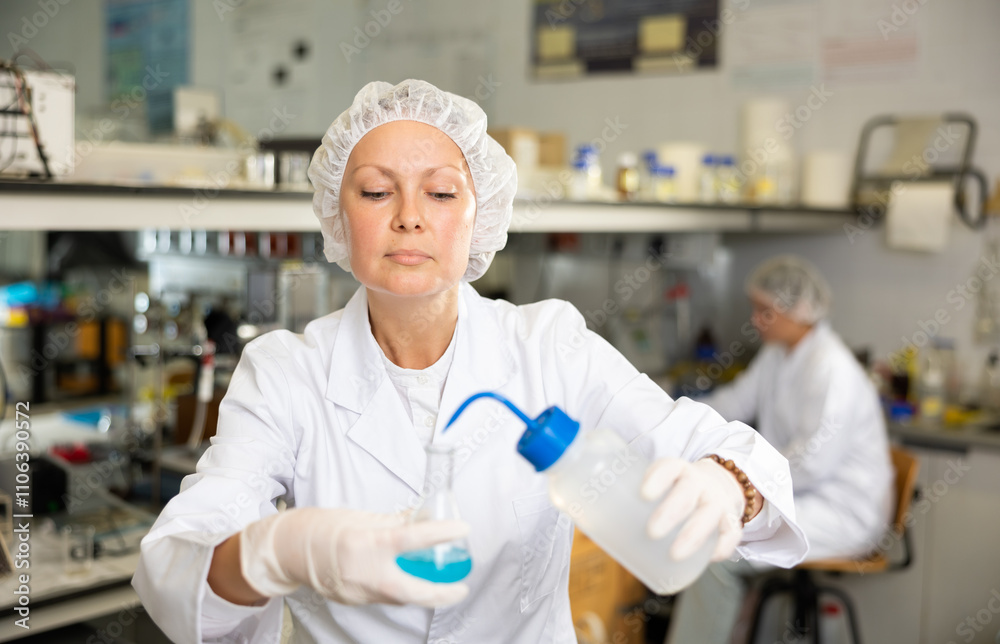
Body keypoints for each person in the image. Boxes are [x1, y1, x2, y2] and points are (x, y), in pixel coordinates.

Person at [132, 79, 807, 644]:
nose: (409, 218)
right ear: (338, 216)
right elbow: (174, 569)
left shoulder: (549, 347)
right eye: (375, 192)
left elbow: (721, 449)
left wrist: (727, 485)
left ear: (479, 214)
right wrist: (279, 550)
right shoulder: (285, 372)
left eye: (441, 192)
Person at [666, 255, 894, 644]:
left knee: (716, 546)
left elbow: (812, 464)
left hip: (839, 509)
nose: (756, 320)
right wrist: (669, 420)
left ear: (800, 311)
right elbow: (732, 403)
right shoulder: (777, 355)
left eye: (765, 311)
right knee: (714, 528)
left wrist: (743, 485)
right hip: (798, 495)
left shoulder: (832, 370)